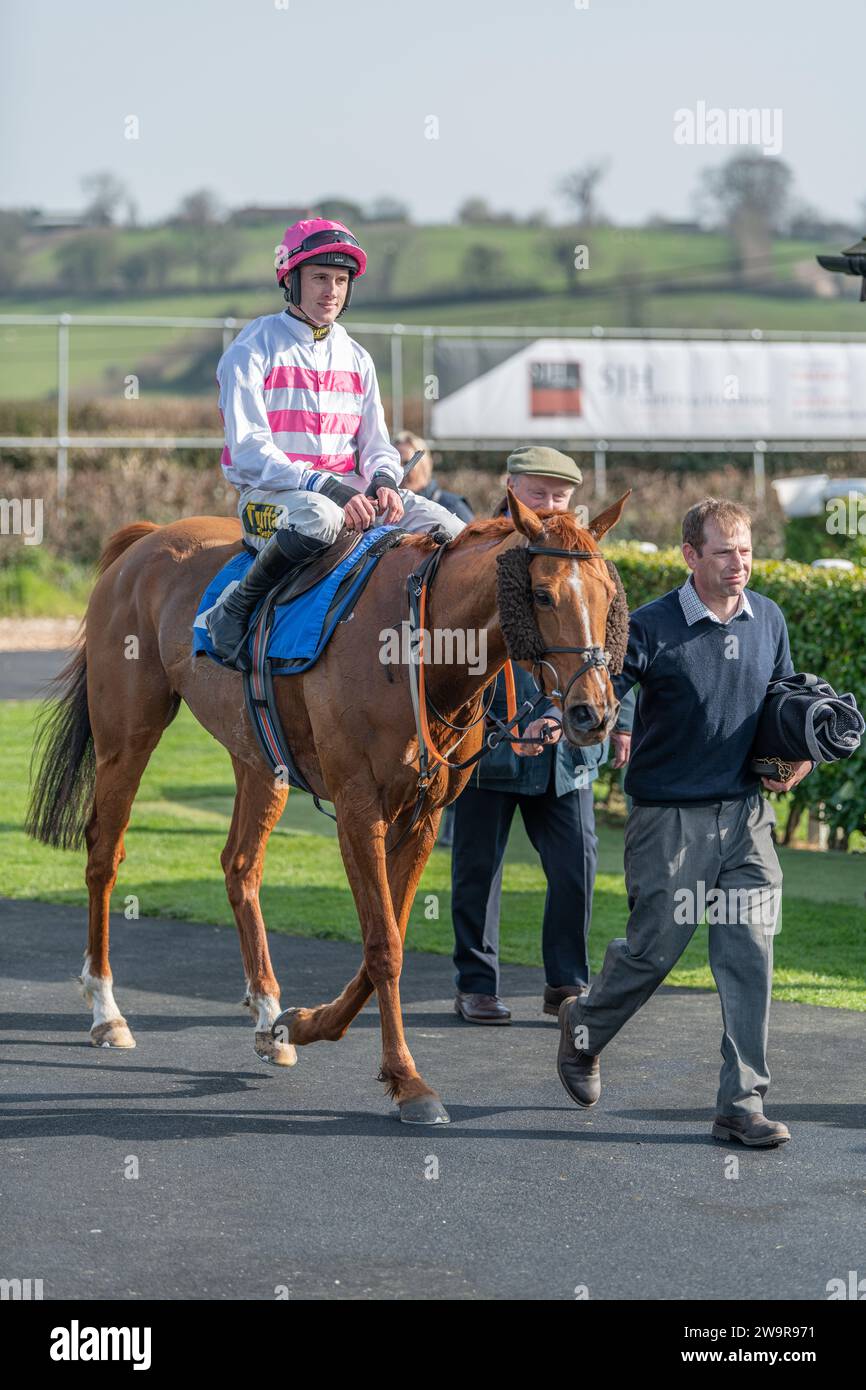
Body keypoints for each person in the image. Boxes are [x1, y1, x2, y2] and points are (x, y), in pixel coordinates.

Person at [555, 498, 813, 1147]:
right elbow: (601, 695)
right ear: (690, 555)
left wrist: (801, 753)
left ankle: (741, 1102)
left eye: (747, 550)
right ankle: (584, 1026)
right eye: (724, 551)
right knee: (652, 953)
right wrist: (568, 723)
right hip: (668, 819)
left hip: (748, 816)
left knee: (749, 949)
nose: (739, 563)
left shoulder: (769, 620)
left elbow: (781, 704)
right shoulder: (647, 627)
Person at [206, 218, 465, 670]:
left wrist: (384, 477)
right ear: (290, 280)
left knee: (455, 530)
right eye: (320, 278)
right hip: (273, 500)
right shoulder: (252, 349)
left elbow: (377, 444)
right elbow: (248, 449)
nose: (332, 291)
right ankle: (236, 607)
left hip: (355, 496)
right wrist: (327, 486)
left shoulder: (356, 356)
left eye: (341, 281)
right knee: (321, 517)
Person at [450, 446, 632, 1023]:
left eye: (560, 495)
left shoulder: (590, 562)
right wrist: (506, 722)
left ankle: (566, 985)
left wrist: (614, 718)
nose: (551, 504)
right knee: (476, 870)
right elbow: (457, 653)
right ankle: (476, 983)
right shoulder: (478, 561)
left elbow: (615, 646)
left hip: (564, 752)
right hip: (489, 745)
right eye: (538, 493)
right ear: (512, 491)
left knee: (576, 867)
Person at [394, 430, 474, 523]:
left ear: (424, 465)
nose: (399, 470)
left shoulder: (453, 506)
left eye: (406, 463)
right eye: (394, 464)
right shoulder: (389, 510)